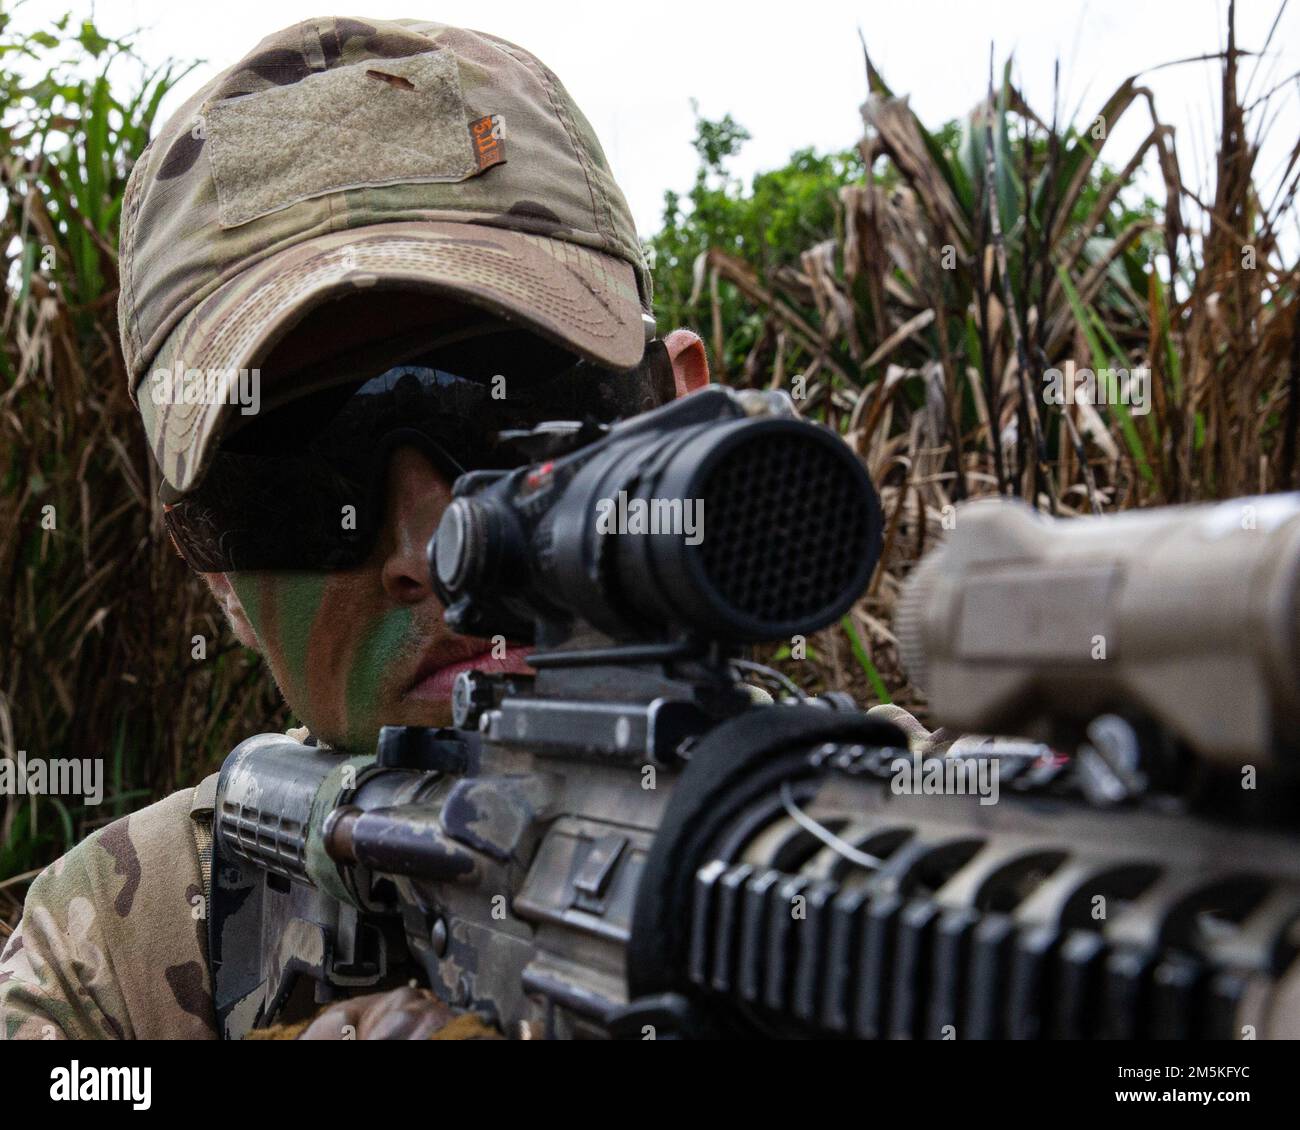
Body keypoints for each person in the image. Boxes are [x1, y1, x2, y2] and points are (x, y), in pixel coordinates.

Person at [0, 15, 926, 1040]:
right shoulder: (111, 952)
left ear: (673, 411)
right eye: (300, 478)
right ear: (212, 566)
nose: (427, 549)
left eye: (508, 415)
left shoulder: (926, 857)